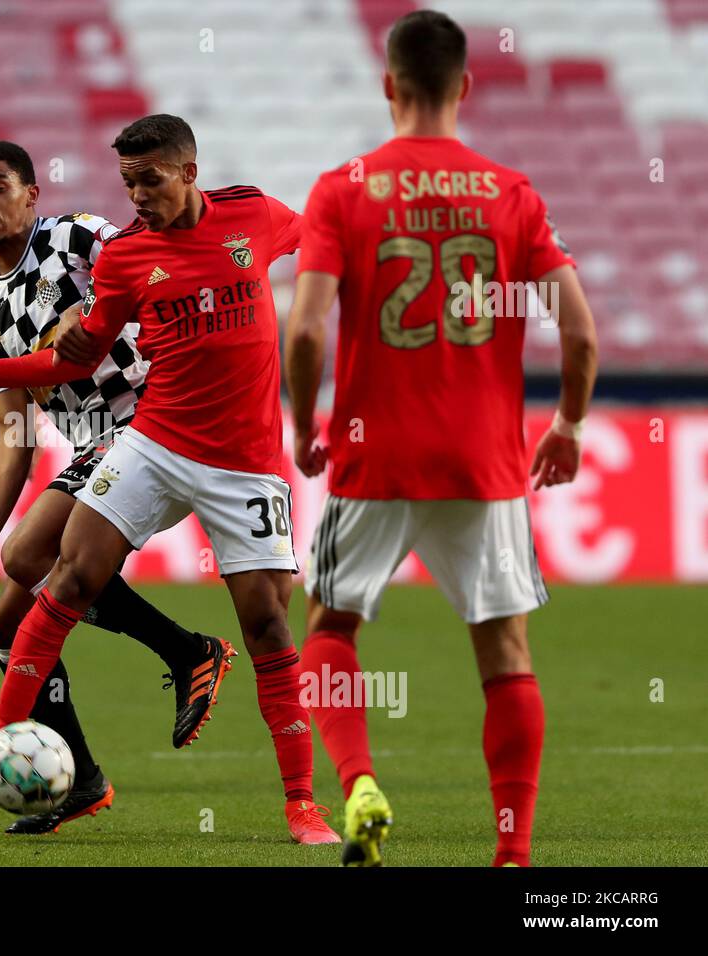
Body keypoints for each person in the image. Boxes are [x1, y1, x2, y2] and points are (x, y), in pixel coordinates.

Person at [0, 115, 340, 845]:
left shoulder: (181, 225)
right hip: (151, 442)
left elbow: (326, 244)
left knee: (267, 621)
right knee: (49, 581)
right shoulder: (4, 308)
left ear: (189, 172)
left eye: (150, 179)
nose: (137, 195)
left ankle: (302, 803)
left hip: (238, 456)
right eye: (129, 182)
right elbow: (46, 394)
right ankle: (22, 759)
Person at [283, 9, 599, 866]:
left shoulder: (342, 188)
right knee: (504, 650)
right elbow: (579, 332)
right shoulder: (511, 192)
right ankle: (514, 855)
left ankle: (357, 785)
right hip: (485, 460)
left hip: (374, 454)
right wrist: (567, 425)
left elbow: (306, 329)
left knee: (331, 624)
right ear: (465, 85)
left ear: (388, 86)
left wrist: (304, 419)